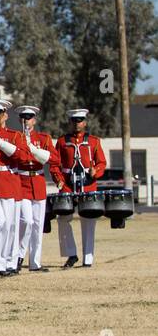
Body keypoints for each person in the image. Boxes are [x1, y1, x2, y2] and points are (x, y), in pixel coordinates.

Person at [49, 108, 107, 268]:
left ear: (85, 122)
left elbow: (102, 162)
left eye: (80, 121)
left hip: (88, 185)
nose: (77, 124)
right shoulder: (61, 142)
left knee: (89, 220)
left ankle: (88, 258)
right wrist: (59, 181)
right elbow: (54, 164)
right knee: (62, 219)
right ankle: (71, 254)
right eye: (74, 121)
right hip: (67, 185)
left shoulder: (94, 141)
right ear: (70, 122)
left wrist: (97, 172)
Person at [0, 99, 30, 276]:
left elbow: (24, 157)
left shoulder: (15, 136)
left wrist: (1, 143)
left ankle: (0, 264)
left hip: (7, 181)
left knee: (8, 225)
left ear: (5, 115)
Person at [13, 106, 54, 271]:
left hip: (37, 181)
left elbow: (54, 158)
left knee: (38, 224)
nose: (26, 121)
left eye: (29, 118)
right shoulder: (15, 137)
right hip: (21, 181)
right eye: (23, 118)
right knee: (27, 221)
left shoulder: (43, 138)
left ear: (34, 120)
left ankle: (35, 262)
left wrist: (35, 149)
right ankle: (19, 256)